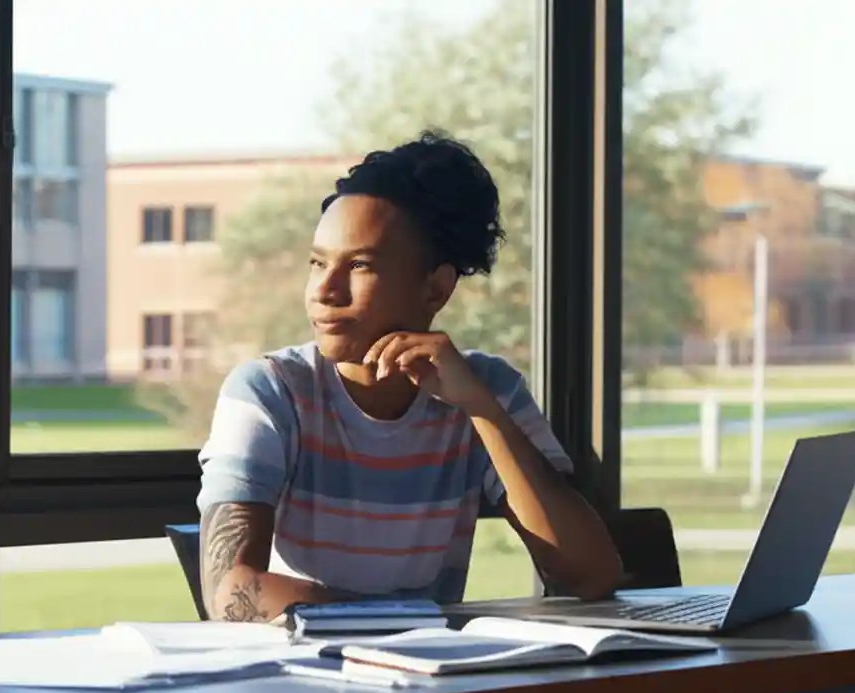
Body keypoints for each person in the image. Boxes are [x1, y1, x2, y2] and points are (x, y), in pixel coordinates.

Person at [196, 130, 622, 622]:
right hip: (296, 683)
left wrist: (480, 409)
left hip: (426, 684)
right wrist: (412, 619)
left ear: (436, 288)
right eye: (317, 263)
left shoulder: (487, 388)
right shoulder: (269, 390)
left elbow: (590, 576)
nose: (325, 291)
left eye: (359, 265)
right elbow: (231, 591)